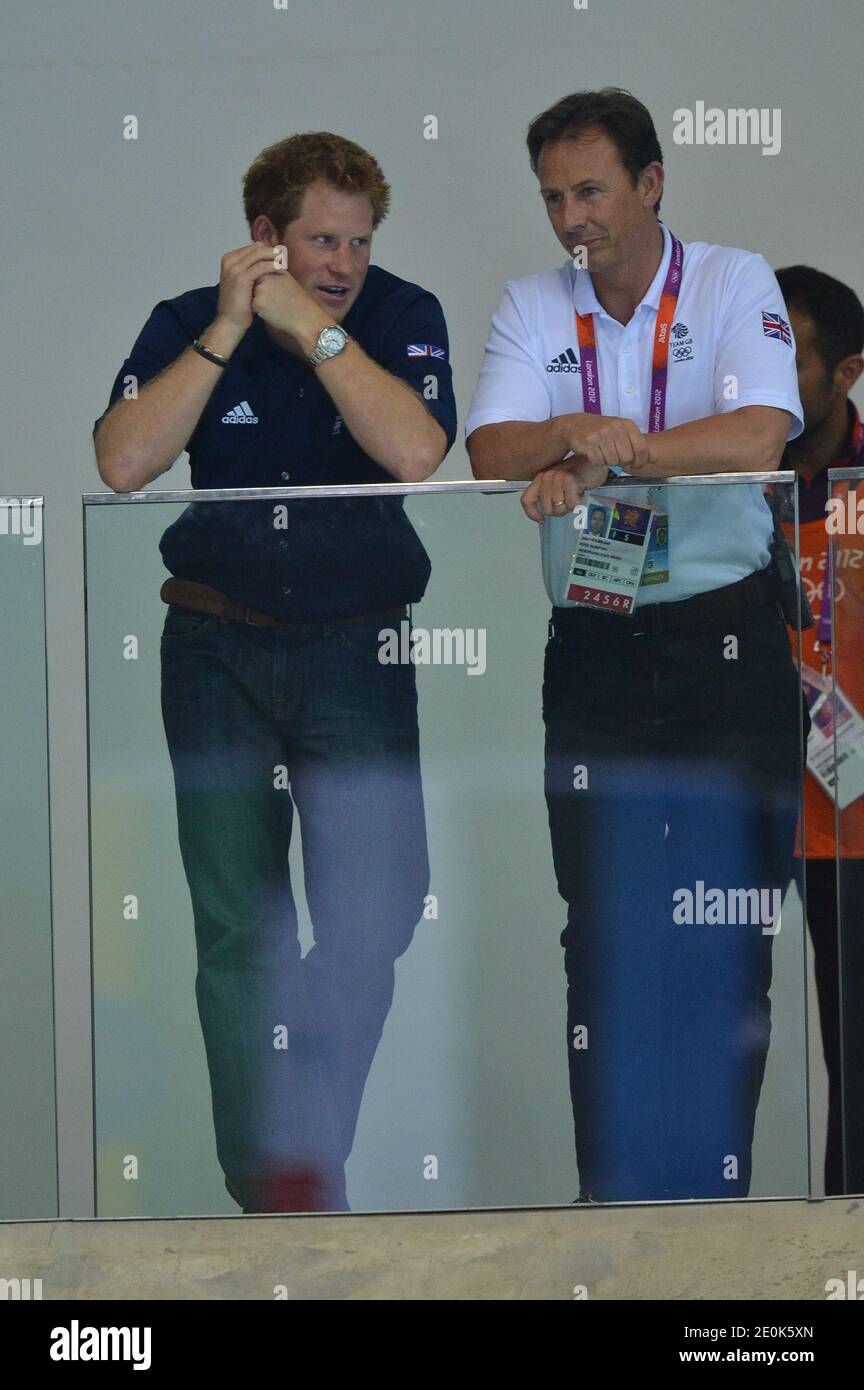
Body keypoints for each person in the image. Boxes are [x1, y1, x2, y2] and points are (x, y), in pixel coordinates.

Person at [94, 132, 456, 1213]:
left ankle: (298, 1148)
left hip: (360, 642)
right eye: (319, 240)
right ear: (265, 236)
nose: (343, 259)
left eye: (357, 239)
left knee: (380, 907)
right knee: (242, 927)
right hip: (217, 646)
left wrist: (320, 330)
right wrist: (229, 328)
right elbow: (121, 461)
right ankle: (287, 1192)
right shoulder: (184, 321)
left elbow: (417, 453)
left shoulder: (402, 314)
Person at [467, 88, 807, 1202]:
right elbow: (491, 450)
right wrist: (569, 436)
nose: (572, 217)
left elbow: (759, 432)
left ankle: (712, 1211)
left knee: (727, 933)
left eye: (592, 190)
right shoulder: (531, 303)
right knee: (604, 937)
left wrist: (619, 457)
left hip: (726, 647)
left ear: (652, 183)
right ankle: (611, 1210)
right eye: (555, 196)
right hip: (597, 651)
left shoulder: (729, 278)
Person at [772, 265, 864, 1194]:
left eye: (786, 352)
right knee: (705, 1036)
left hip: (854, 814)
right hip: (728, 799)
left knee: (859, 1054)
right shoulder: (707, 468)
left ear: (847, 375)